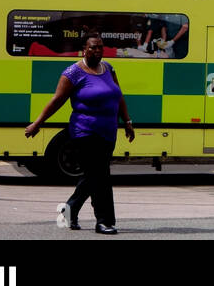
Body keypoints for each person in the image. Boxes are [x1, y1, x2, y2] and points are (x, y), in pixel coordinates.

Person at [25, 33, 135, 235]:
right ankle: (104, 221)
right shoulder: (72, 73)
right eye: (93, 47)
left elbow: (118, 96)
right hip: (84, 131)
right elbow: (57, 101)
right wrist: (37, 123)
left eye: (100, 47)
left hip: (108, 131)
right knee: (101, 176)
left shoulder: (109, 69)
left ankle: (69, 210)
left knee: (93, 175)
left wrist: (127, 121)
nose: (98, 51)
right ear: (84, 49)